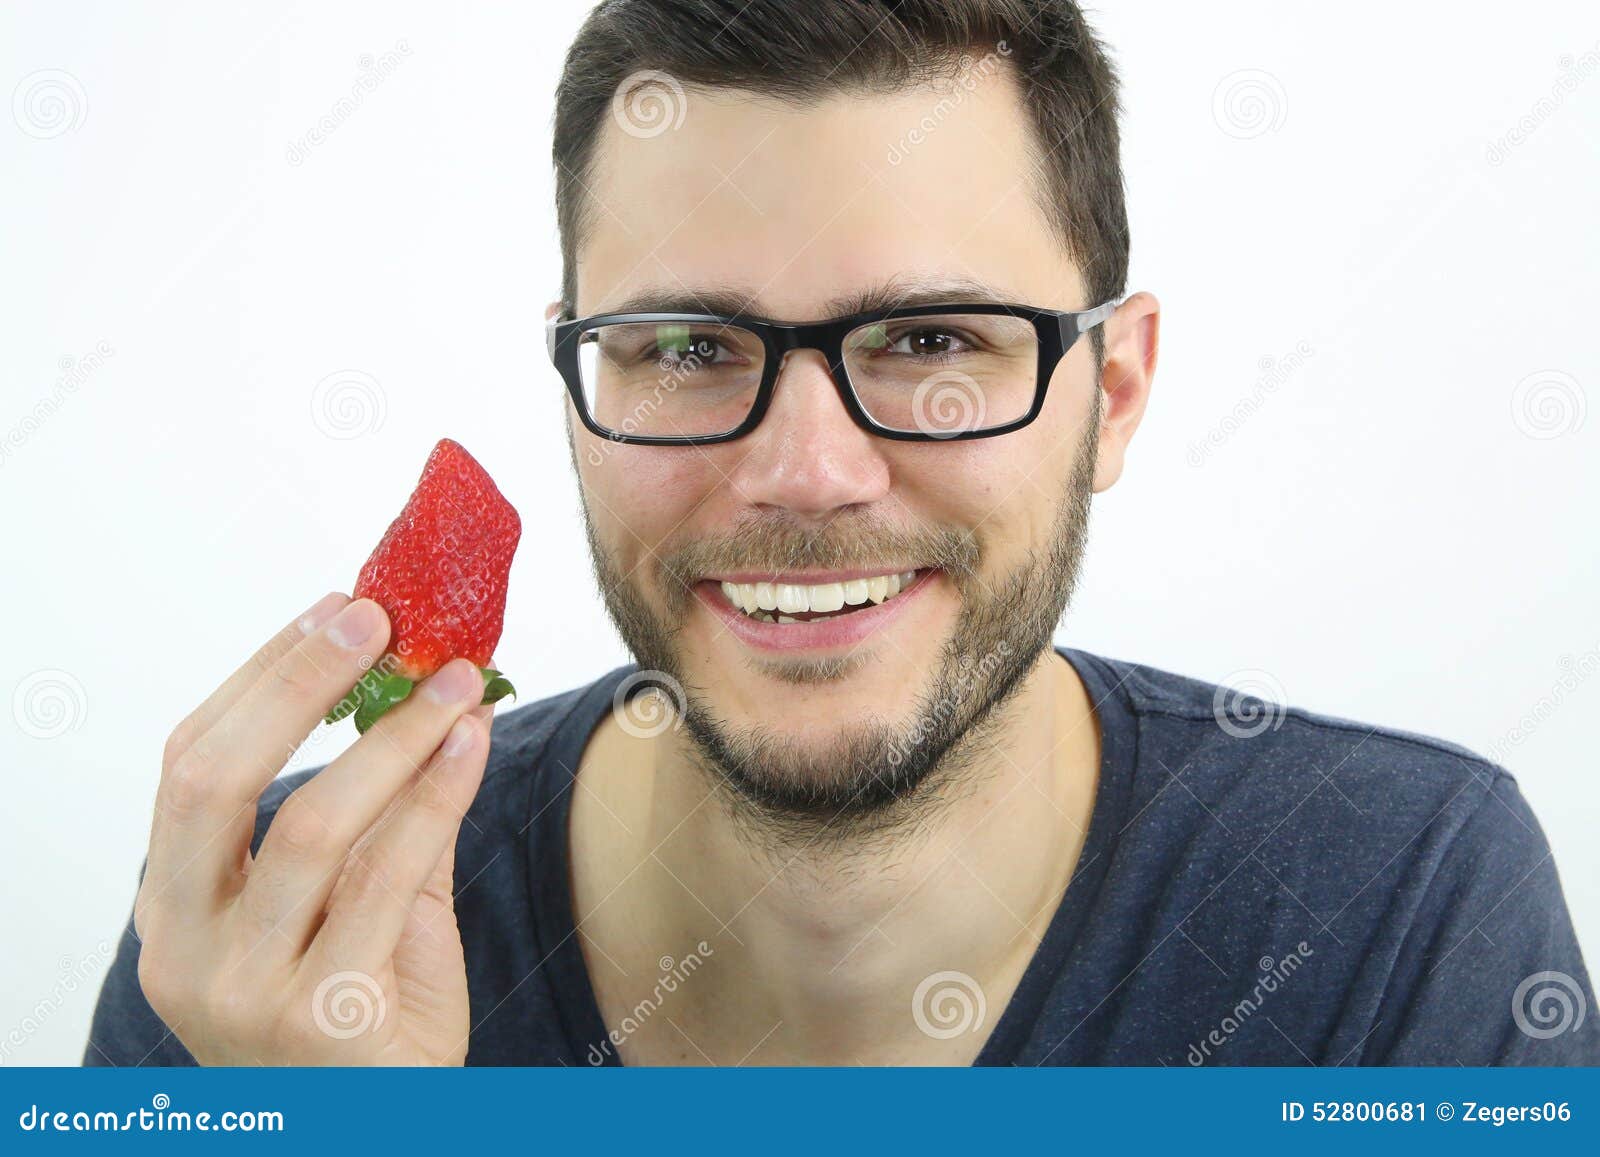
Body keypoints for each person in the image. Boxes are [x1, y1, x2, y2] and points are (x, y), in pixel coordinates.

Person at [86, 0, 1595, 1066]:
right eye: (685, 348)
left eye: (933, 338)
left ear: (1114, 391)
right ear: (574, 375)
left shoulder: (1399, 904)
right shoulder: (270, 940)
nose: (806, 473)